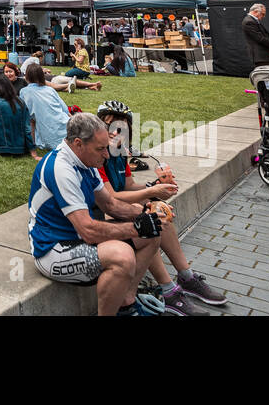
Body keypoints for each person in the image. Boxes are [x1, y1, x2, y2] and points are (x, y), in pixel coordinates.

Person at [27, 112, 165, 316]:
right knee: (123, 256)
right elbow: (89, 231)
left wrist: (146, 214)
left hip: (77, 240)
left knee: (152, 235)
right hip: (52, 251)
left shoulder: (85, 162)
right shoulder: (61, 169)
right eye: (101, 149)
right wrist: (136, 227)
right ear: (78, 143)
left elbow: (110, 205)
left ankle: (126, 304)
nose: (107, 155)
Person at [95, 101, 227, 315]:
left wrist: (154, 186)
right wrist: (150, 193)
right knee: (152, 218)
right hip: (100, 217)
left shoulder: (119, 153)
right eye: (110, 126)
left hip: (116, 211)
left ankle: (186, 277)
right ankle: (169, 290)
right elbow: (111, 198)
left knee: (158, 211)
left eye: (121, 128)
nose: (115, 133)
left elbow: (128, 186)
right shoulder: (97, 156)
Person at [21, 67, 72, 156]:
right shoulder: (50, 90)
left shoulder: (24, 92)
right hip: (67, 130)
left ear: (27, 76)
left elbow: (30, 120)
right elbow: (65, 110)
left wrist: (33, 149)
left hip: (49, 139)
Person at [242, 3, 269, 70]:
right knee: (266, 75)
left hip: (263, 56)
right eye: (263, 14)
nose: (263, 16)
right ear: (255, 11)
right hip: (260, 56)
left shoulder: (252, 20)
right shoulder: (249, 21)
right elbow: (260, 38)